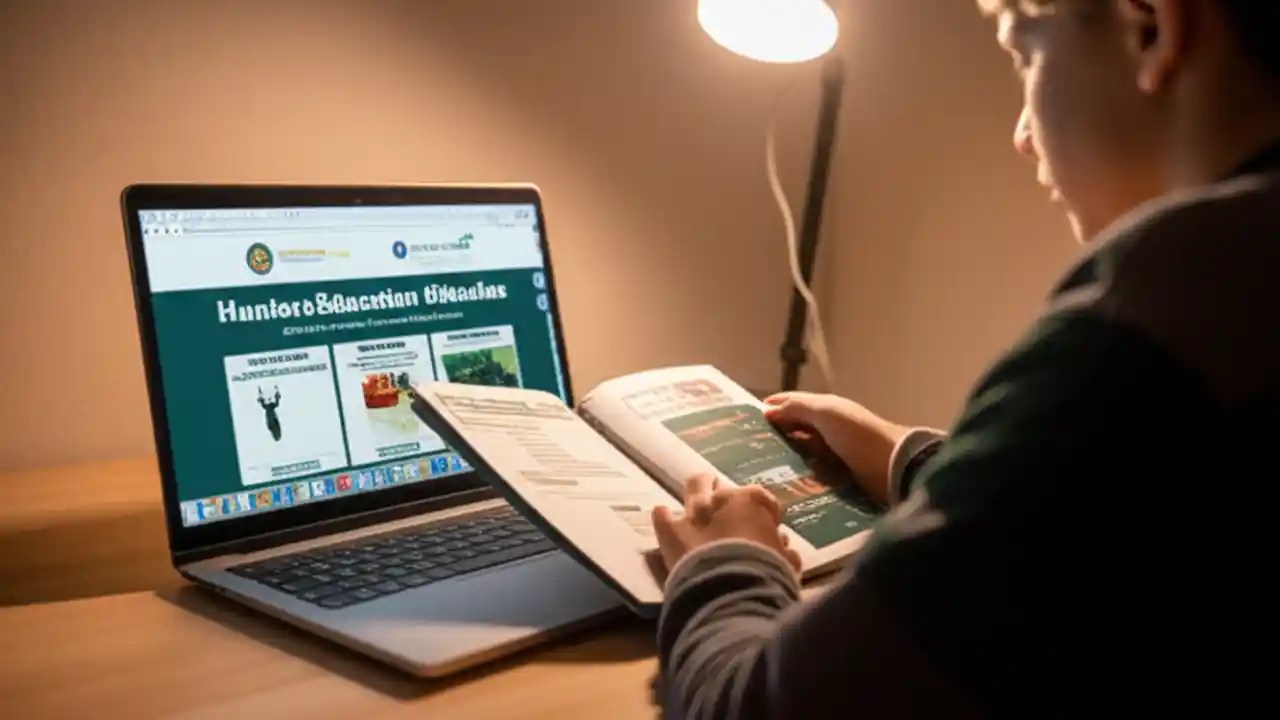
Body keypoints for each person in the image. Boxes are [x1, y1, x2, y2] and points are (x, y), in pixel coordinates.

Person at [649, 1, 1276, 716]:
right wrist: (911, 459)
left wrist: (726, 561)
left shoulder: (1160, 326)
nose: (1023, 136)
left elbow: (757, 707)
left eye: (1027, 55)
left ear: (1152, 26)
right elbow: (1093, 516)